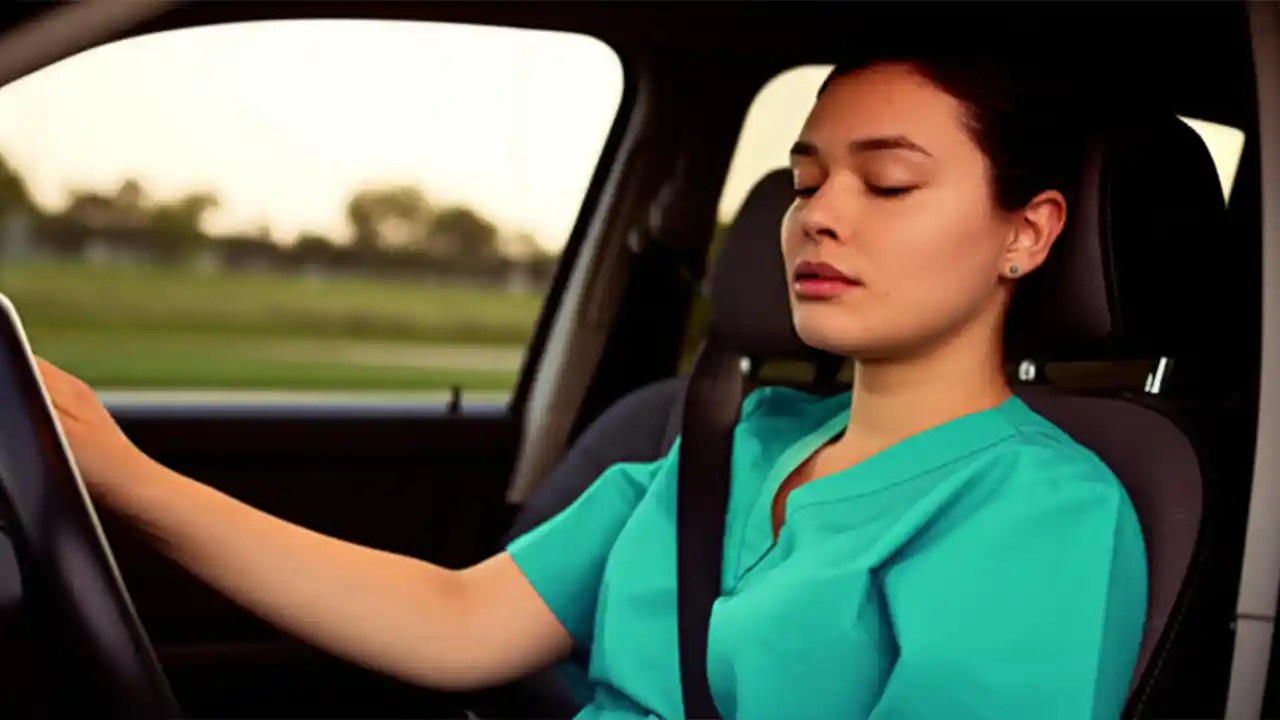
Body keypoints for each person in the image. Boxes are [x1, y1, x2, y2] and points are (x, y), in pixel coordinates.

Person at [34, 45, 1146, 720]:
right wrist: (120, 473)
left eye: (888, 182)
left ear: (1026, 233)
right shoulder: (734, 442)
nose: (819, 214)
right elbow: (457, 619)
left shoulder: (1041, 513)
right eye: (803, 179)